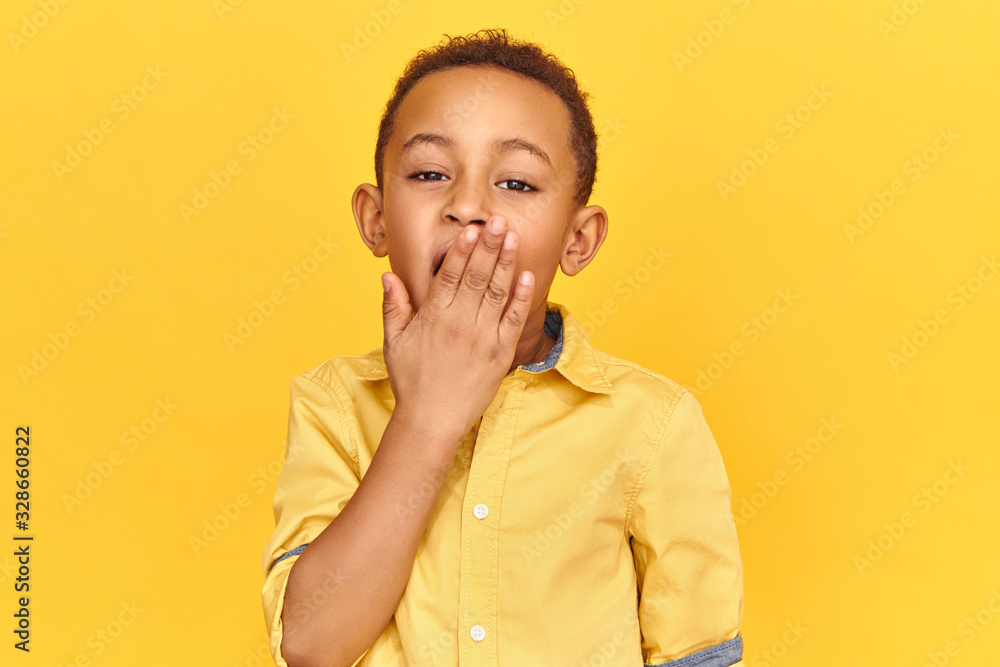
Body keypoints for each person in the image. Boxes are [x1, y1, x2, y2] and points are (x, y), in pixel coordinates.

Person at [261, 27, 744, 667]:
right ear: (376, 220)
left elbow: (698, 651)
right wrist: (428, 416)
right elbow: (312, 645)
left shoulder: (653, 423)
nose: (468, 207)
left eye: (516, 184)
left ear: (578, 239)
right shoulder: (332, 403)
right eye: (431, 173)